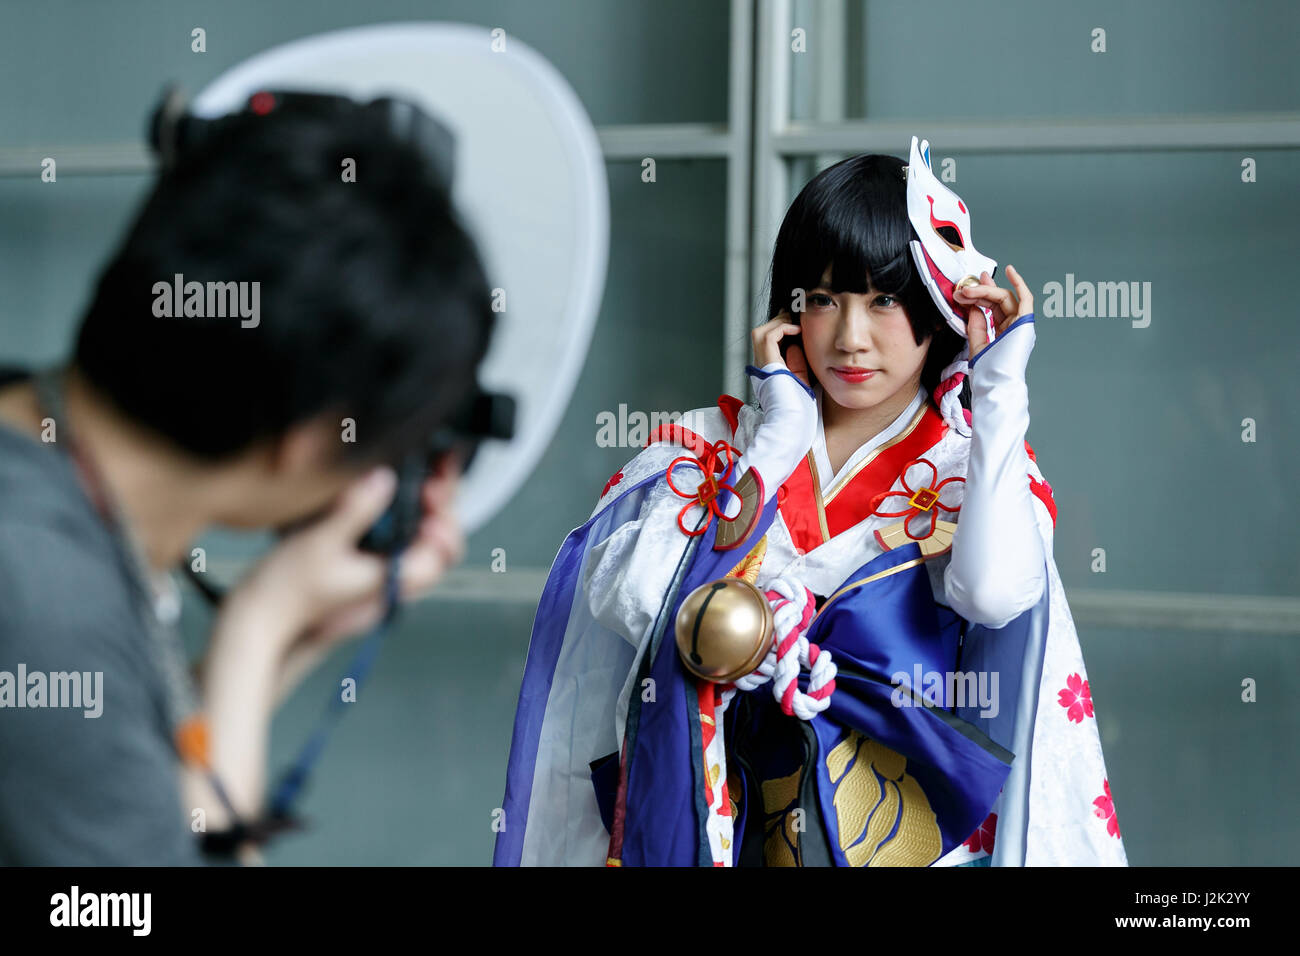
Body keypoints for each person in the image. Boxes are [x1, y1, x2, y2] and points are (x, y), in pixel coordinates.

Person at [495, 150, 1126, 866]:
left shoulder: (969, 467)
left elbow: (992, 593)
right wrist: (777, 440)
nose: (850, 337)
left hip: (894, 838)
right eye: (824, 299)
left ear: (939, 307)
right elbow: (635, 600)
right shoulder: (714, 443)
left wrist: (1000, 388)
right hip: (716, 832)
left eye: (884, 299)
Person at [0, 96, 492, 864]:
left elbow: (118, 777)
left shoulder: (42, 478)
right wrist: (260, 627)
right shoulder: (39, 593)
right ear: (305, 441)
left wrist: (286, 629)